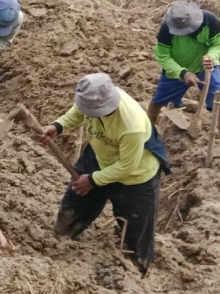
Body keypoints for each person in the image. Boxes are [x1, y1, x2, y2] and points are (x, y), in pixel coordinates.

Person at [38, 73, 170, 276]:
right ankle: (62, 238)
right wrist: (59, 126)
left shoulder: (131, 124)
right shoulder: (92, 99)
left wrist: (93, 179)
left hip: (136, 174)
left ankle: (133, 273)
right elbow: (79, 111)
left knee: (137, 235)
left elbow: (127, 166)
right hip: (102, 153)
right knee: (75, 202)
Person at [148, 1, 220, 143]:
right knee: (157, 103)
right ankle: (148, 136)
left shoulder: (210, 21)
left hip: (206, 68)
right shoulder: (166, 29)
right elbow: (162, 56)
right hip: (176, 70)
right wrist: (182, 73)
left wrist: (211, 57)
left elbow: (217, 44)